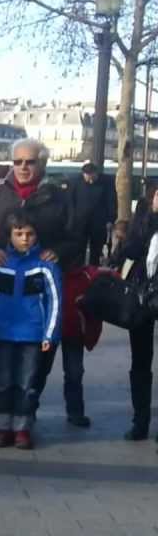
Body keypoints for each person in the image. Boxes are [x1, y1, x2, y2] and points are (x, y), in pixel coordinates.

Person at [0, 138, 83, 435]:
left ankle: (23, 417)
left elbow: (75, 237)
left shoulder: (57, 196)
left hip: (38, 291)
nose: (23, 167)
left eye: (30, 162)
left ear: (41, 163)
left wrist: (59, 252)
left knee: (35, 363)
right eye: (18, 162)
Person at [0, 210, 61, 450]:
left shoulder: (46, 265)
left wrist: (50, 334)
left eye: (30, 234)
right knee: (3, 382)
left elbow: (55, 299)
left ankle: (23, 427)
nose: (25, 239)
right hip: (3, 334)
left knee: (27, 382)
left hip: (32, 335)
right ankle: (3, 426)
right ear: (10, 235)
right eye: (19, 234)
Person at [116, 186, 158, 443]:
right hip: (144, 293)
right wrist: (153, 216)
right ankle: (140, 420)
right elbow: (130, 250)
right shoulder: (144, 209)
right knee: (141, 360)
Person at [68, 162, 116, 267]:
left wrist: (111, 219)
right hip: (79, 222)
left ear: (96, 174)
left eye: (92, 178)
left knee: (96, 250)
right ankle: (78, 270)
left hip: (98, 222)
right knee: (79, 250)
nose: (90, 181)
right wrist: (71, 219)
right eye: (87, 178)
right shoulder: (75, 182)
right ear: (83, 174)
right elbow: (70, 201)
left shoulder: (107, 182)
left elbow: (111, 200)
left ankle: (93, 271)